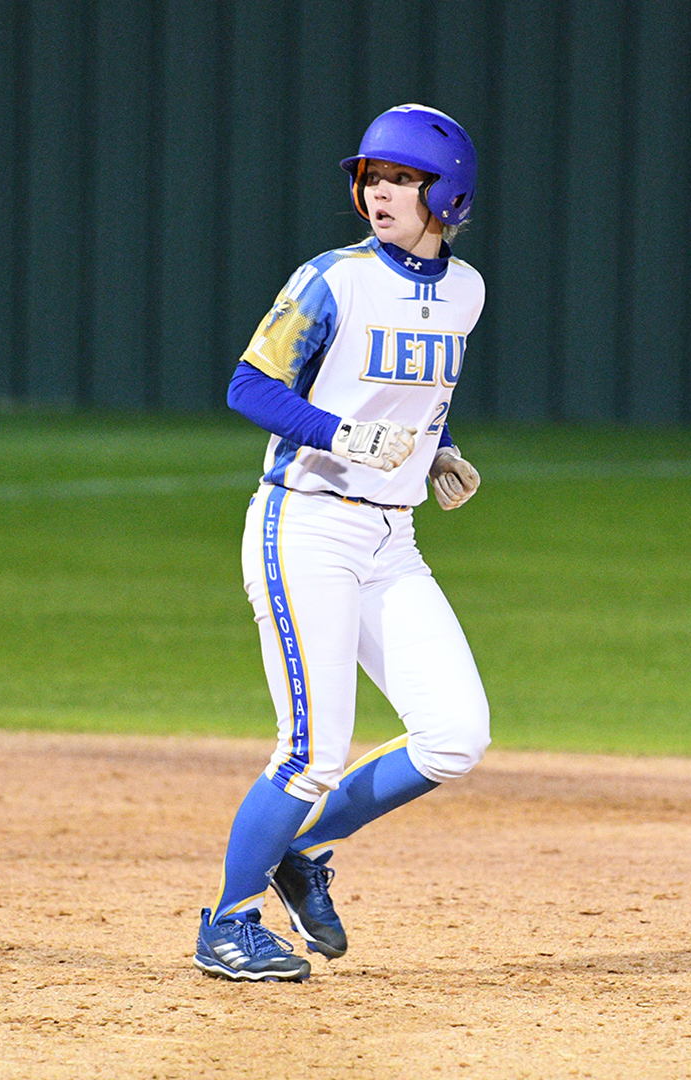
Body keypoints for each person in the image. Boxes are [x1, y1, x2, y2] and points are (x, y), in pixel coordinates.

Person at [191, 104, 492, 981]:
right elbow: (251, 385)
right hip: (309, 527)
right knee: (311, 751)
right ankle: (226, 923)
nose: (381, 192)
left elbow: (407, 393)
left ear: (450, 193)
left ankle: (302, 853)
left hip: (392, 541)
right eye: (373, 177)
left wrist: (436, 451)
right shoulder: (333, 278)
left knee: (455, 737)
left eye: (402, 178)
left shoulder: (466, 291)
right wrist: (342, 436)